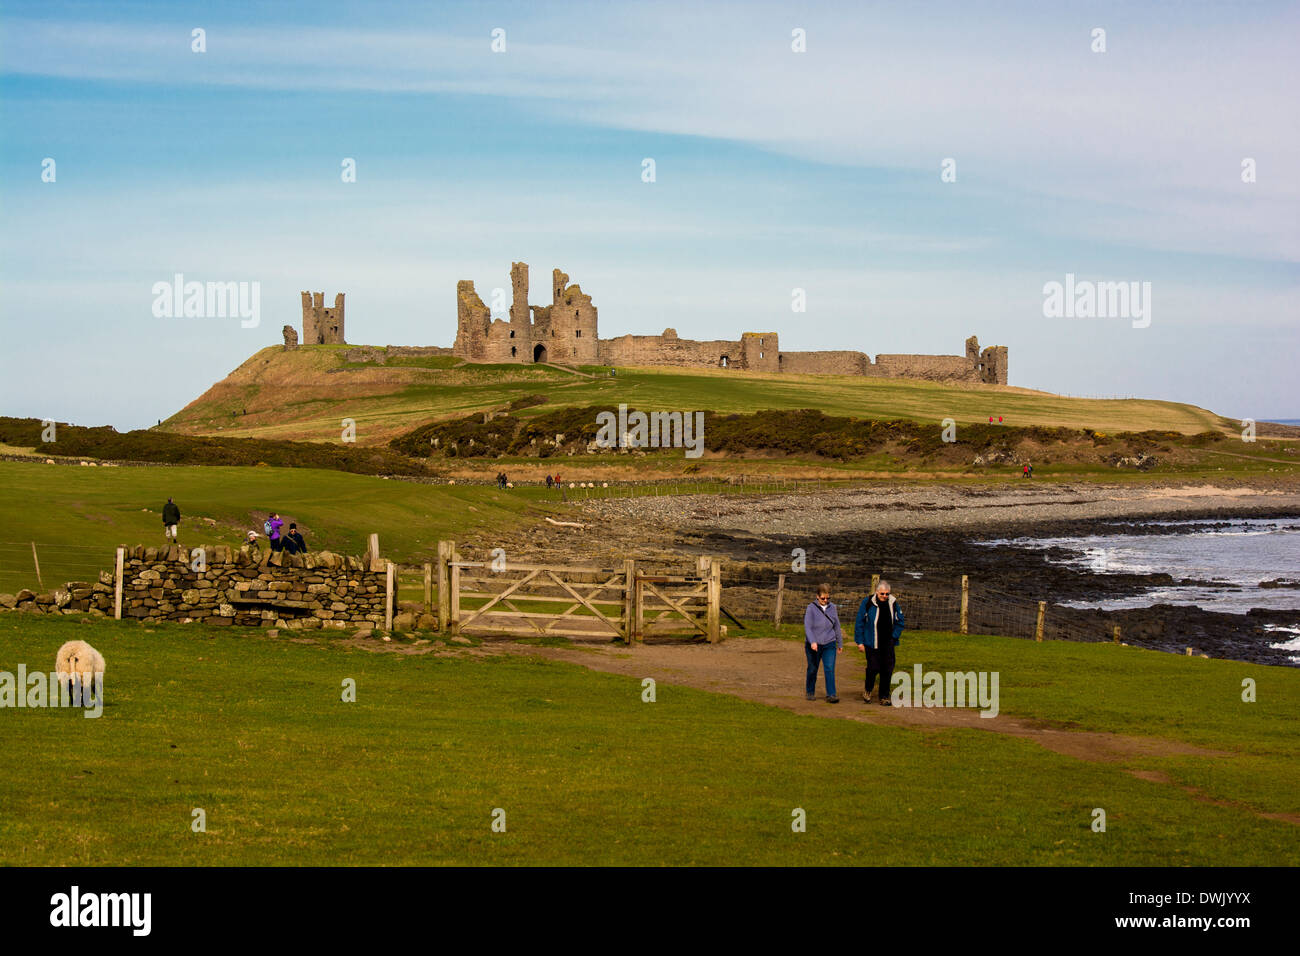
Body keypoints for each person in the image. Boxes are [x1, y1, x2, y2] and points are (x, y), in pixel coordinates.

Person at [855, 579, 905, 705]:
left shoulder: (893, 603)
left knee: (887, 670)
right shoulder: (867, 603)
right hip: (872, 642)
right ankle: (868, 690)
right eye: (882, 594)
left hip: (888, 643)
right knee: (873, 668)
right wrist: (859, 642)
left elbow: (900, 622)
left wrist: (894, 637)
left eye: (887, 594)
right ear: (877, 592)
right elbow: (859, 623)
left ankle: (884, 696)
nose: (885, 596)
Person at [803, 583, 842, 703]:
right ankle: (810, 691)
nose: (825, 600)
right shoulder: (811, 608)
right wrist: (813, 642)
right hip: (813, 645)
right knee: (813, 669)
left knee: (829, 668)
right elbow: (807, 627)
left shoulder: (833, 608)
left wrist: (840, 643)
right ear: (817, 597)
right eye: (823, 598)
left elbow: (837, 626)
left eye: (828, 598)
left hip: (829, 643)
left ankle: (831, 694)